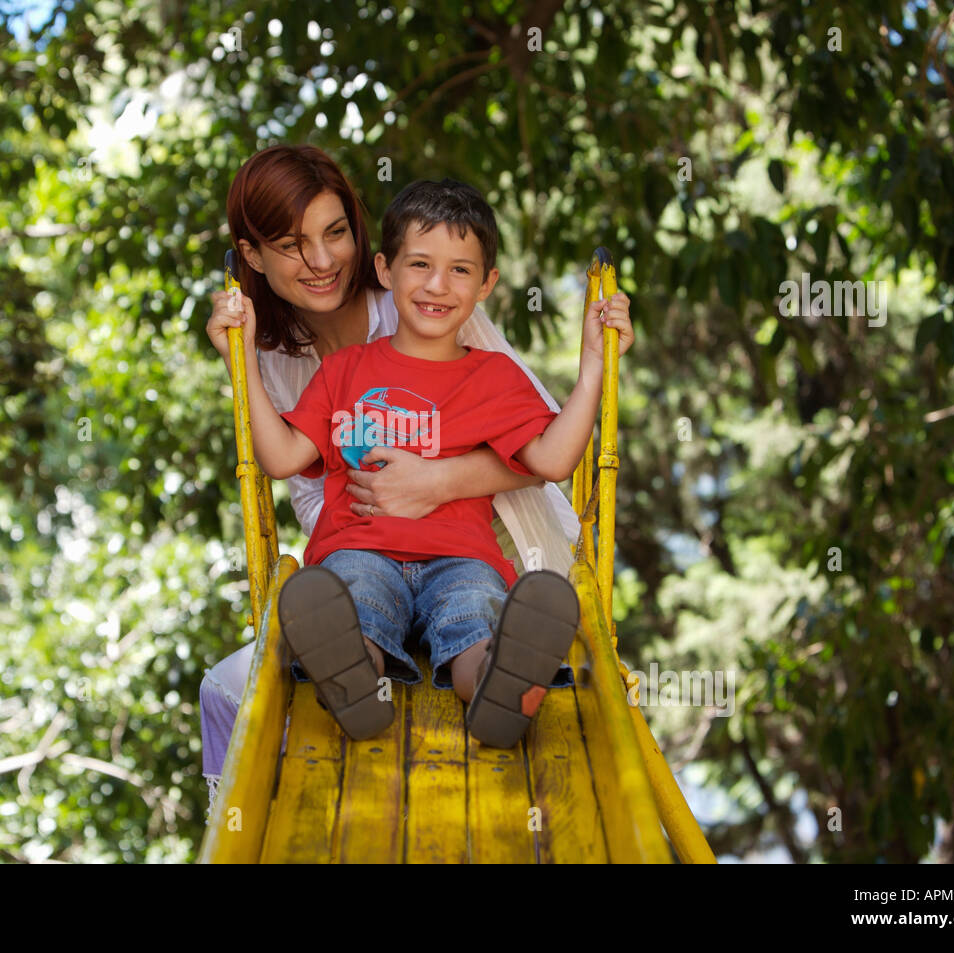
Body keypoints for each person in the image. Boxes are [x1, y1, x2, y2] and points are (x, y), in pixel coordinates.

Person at [199, 147, 633, 799]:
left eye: (335, 232)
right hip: (362, 553)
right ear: (253, 255)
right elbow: (288, 459)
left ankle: (502, 683)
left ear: (484, 282)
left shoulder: (463, 345)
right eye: (292, 244)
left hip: (476, 552)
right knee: (333, 612)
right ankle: (349, 673)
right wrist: (239, 363)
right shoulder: (315, 366)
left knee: (478, 614)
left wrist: (595, 366)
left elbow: (547, 457)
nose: (320, 260)